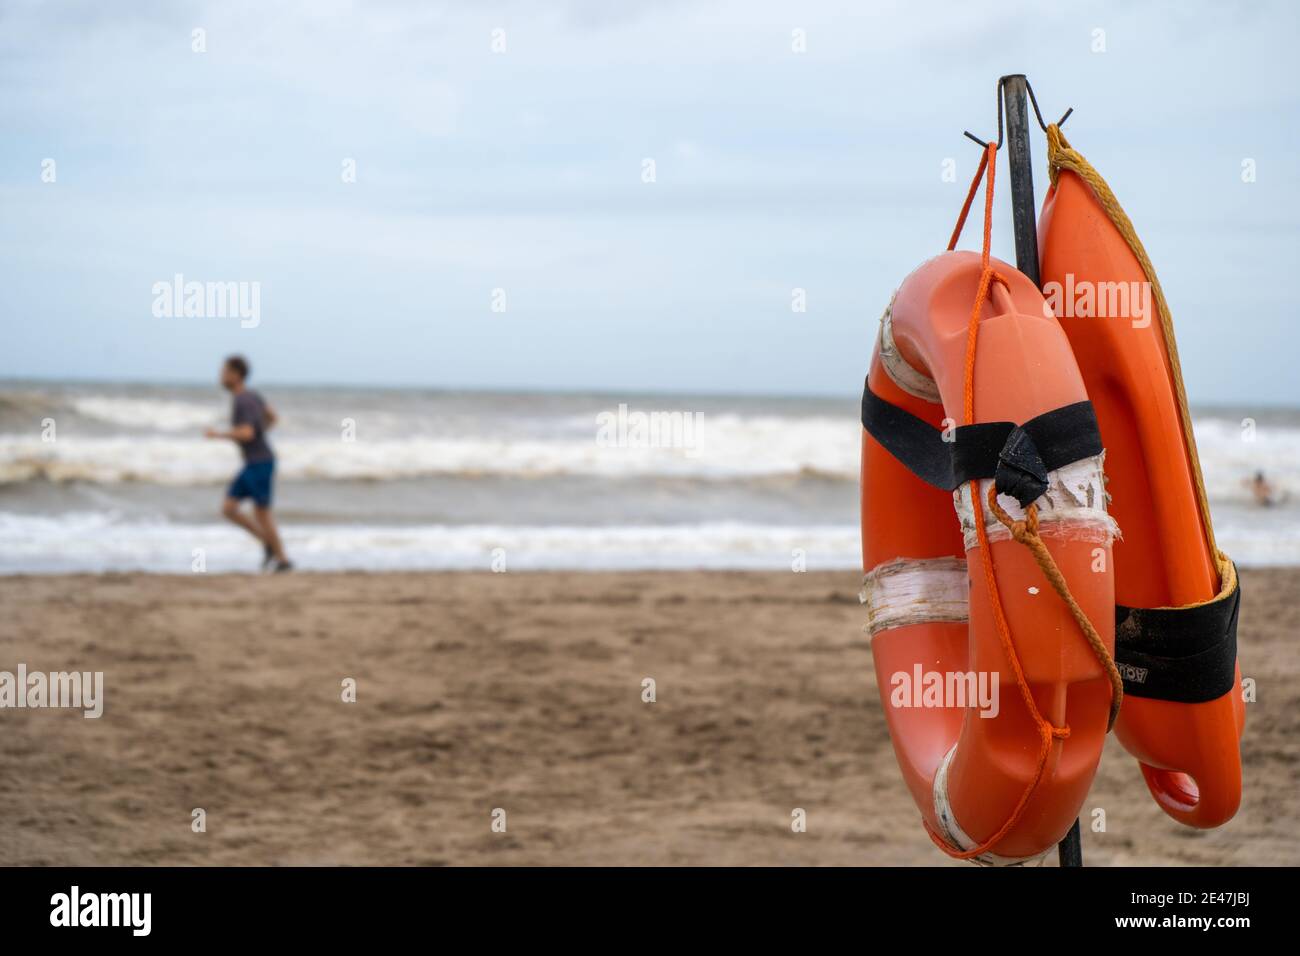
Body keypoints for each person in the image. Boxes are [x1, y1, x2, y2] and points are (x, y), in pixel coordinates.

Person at [205, 355, 292, 571]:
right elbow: (272, 416)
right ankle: (268, 544)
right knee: (229, 507)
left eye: (224, 372)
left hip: (260, 462)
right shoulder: (253, 396)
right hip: (255, 462)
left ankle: (282, 558)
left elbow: (247, 433)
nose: (221, 377)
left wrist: (218, 435)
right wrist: (262, 430)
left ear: (236, 374)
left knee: (262, 513)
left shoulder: (242, 400)